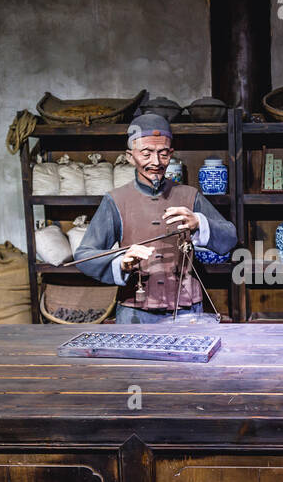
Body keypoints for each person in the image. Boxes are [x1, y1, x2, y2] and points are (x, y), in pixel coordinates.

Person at [74, 114, 237, 324]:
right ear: (130, 156)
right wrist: (121, 262)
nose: (156, 162)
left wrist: (199, 223)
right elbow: (84, 255)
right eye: (146, 153)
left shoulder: (190, 195)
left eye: (163, 154)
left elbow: (231, 238)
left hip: (187, 310)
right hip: (135, 311)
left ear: (171, 154)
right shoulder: (115, 200)